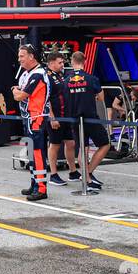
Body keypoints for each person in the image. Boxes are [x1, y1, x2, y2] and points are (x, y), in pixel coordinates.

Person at [12, 43, 50, 202]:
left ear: (31, 56)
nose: (19, 59)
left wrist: (16, 91)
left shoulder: (38, 74)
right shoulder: (29, 73)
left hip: (36, 119)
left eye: (22, 56)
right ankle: (34, 183)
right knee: (32, 153)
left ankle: (41, 189)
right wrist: (18, 91)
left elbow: (20, 95)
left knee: (38, 153)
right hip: (29, 119)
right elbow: (21, 91)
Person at [66, 50, 109, 191]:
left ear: (72, 61)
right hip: (91, 118)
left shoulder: (66, 80)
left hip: (74, 119)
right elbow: (101, 98)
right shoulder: (91, 79)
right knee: (105, 144)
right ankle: (88, 173)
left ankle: (86, 176)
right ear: (84, 61)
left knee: (82, 149)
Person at [44, 51, 78, 186]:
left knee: (71, 143)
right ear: (51, 63)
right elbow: (46, 99)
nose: (62, 64)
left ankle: (73, 172)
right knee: (55, 145)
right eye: (60, 62)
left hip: (66, 116)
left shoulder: (61, 75)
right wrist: (52, 117)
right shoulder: (46, 76)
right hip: (55, 116)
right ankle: (53, 174)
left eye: (63, 62)